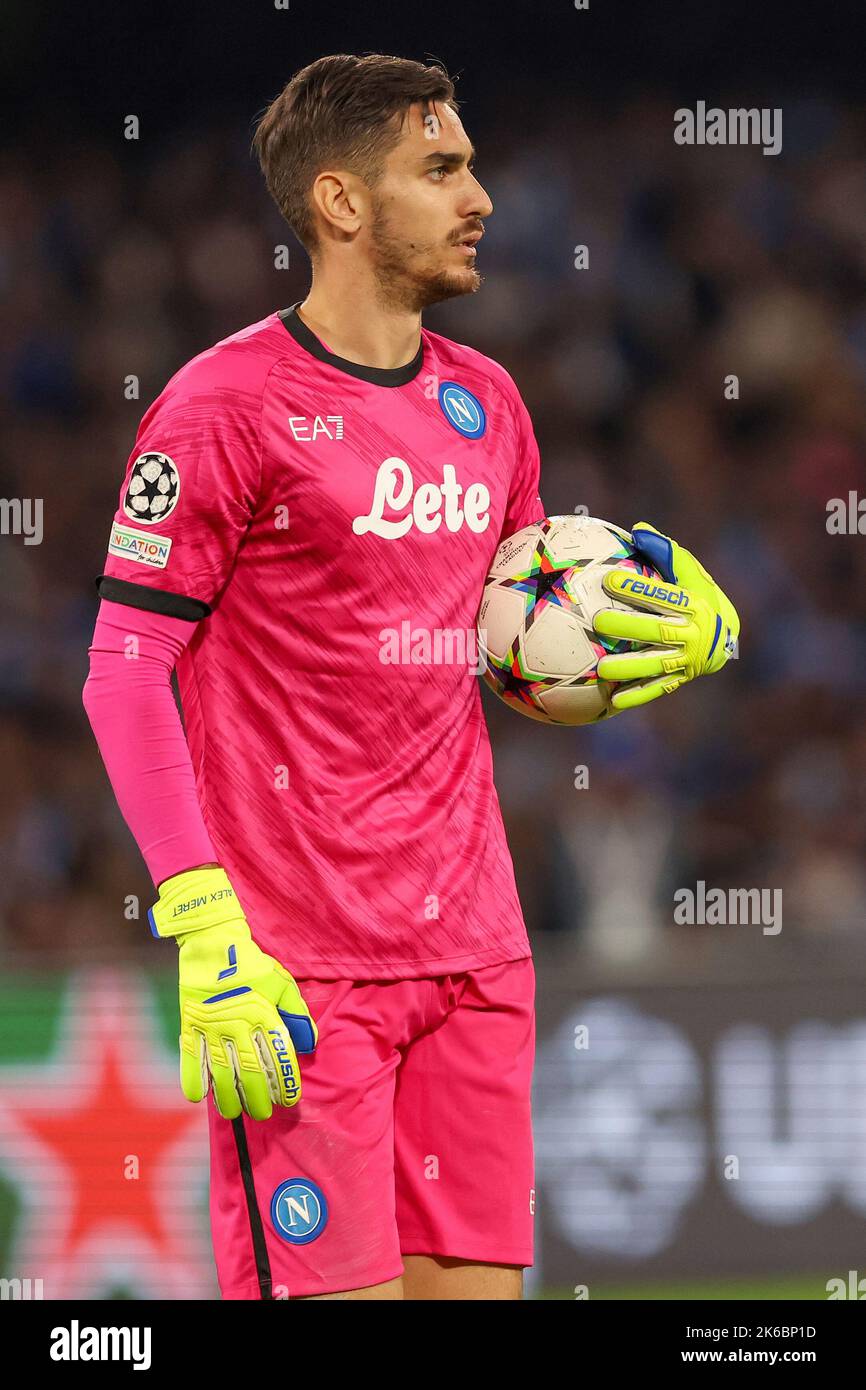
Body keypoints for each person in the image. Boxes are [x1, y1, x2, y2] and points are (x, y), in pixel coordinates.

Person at [83, 52, 737, 1301]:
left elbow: (504, 653)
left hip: (474, 959)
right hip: (294, 970)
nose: (479, 195)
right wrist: (202, 917)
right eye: (439, 170)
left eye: (471, 165)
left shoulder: (487, 405)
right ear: (340, 202)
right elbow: (123, 670)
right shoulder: (220, 407)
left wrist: (666, 635)